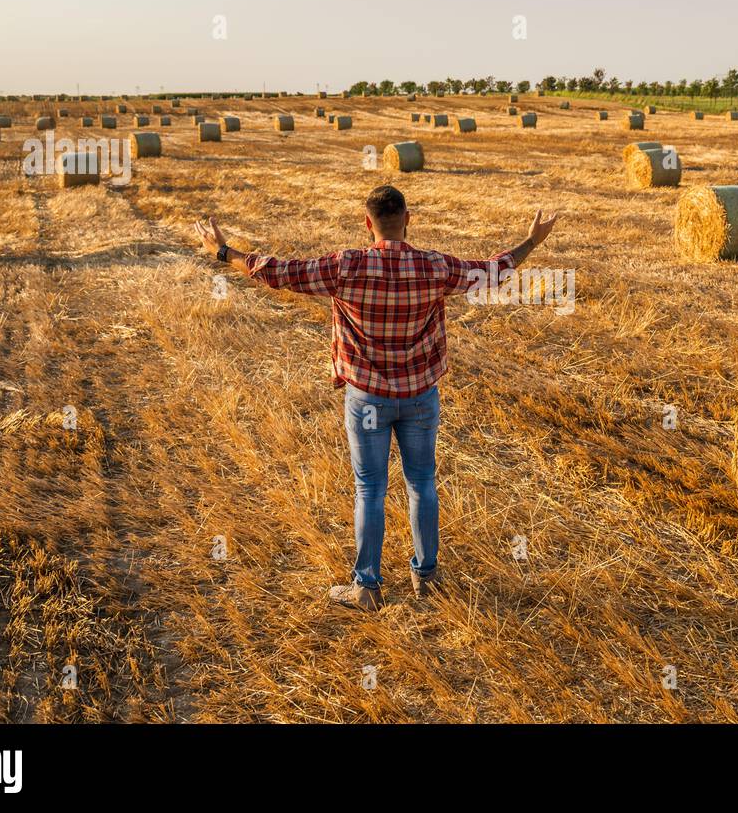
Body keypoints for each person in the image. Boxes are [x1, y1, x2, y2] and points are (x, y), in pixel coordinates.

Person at [194, 186, 559, 610]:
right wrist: (532, 240)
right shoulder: (433, 266)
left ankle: (367, 587)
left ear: (367, 222)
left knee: (370, 488)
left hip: (367, 397)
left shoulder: (345, 266)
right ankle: (427, 577)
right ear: (408, 219)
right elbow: (493, 271)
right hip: (420, 394)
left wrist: (223, 252)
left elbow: (276, 272)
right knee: (421, 482)